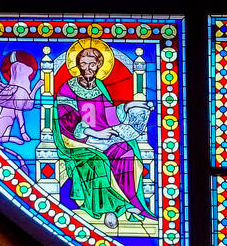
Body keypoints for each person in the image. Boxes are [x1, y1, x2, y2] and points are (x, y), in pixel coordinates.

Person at [53, 41, 152, 230]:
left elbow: (106, 113)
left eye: (92, 64)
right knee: (98, 161)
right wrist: (95, 133)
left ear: (99, 65)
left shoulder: (99, 87)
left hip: (101, 136)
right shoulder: (67, 88)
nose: (88, 68)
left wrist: (128, 107)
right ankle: (108, 209)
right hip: (76, 140)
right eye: (83, 63)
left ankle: (128, 203)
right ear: (77, 65)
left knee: (126, 153)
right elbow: (68, 119)